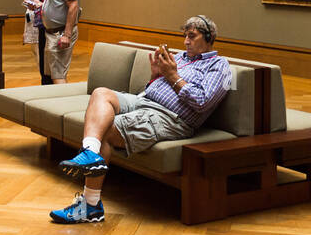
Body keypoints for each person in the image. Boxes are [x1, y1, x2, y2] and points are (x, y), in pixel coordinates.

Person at [51, 15, 232, 223]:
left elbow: (202, 102)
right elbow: (156, 88)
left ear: (209, 38)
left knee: (104, 131)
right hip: (143, 100)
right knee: (101, 93)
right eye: (185, 36)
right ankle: (90, 153)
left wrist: (172, 75)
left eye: (192, 36)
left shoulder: (219, 66)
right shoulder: (180, 58)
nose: (186, 42)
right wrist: (155, 76)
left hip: (170, 117)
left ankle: (90, 205)